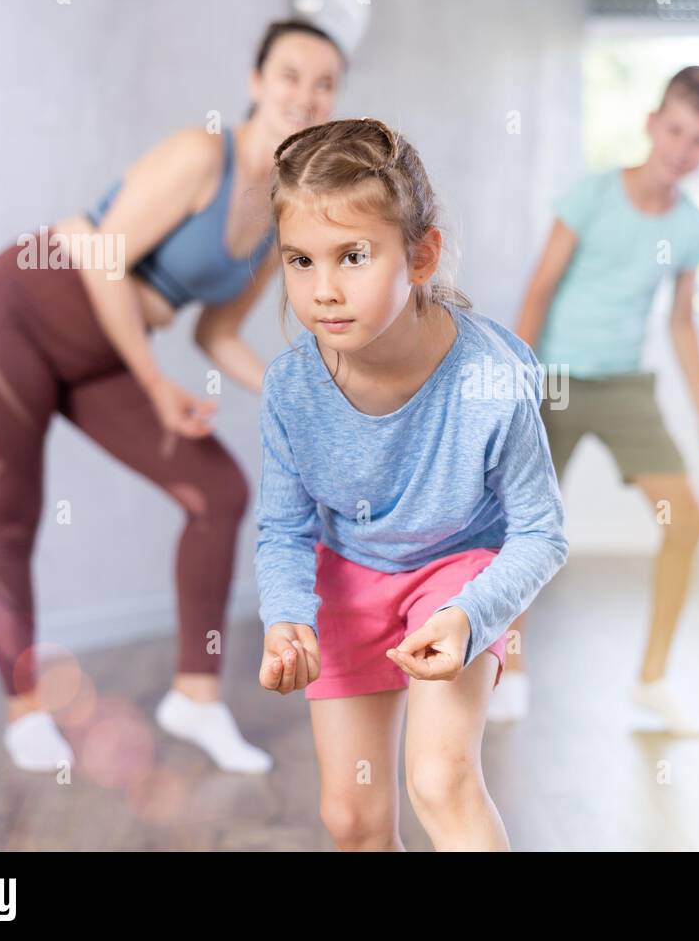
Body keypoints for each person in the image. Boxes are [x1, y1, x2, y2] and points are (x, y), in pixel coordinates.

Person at [0, 19, 344, 773]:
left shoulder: (281, 214)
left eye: (325, 83)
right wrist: (155, 384)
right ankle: (24, 707)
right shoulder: (204, 154)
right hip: (18, 315)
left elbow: (216, 334)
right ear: (257, 81)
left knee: (219, 492)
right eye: (291, 74)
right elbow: (101, 260)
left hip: (105, 350)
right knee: (13, 512)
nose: (306, 93)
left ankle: (194, 699)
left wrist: (301, 391)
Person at [254, 117, 568, 851]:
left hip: (460, 573)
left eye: (353, 256)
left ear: (420, 254)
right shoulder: (290, 388)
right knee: (353, 821)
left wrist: (471, 615)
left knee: (439, 778)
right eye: (300, 260)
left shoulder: (490, 379)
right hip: (352, 578)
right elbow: (285, 529)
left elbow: (540, 532)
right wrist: (287, 616)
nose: (323, 290)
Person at [505, 66, 699, 734]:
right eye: (675, 130)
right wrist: (517, 385)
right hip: (551, 380)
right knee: (524, 528)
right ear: (650, 123)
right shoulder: (591, 197)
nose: (682, 150)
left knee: (685, 520)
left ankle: (653, 678)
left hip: (625, 390)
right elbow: (539, 288)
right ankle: (508, 666)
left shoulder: (691, 229)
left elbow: (682, 323)